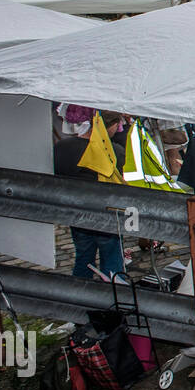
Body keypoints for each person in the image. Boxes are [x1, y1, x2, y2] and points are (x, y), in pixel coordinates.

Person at [54, 114, 127, 280]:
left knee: (83, 258)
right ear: (110, 126)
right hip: (106, 216)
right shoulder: (114, 152)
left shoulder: (61, 147)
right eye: (117, 126)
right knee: (112, 261)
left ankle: (81, 295)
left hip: (76, 215)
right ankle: (114, 299)